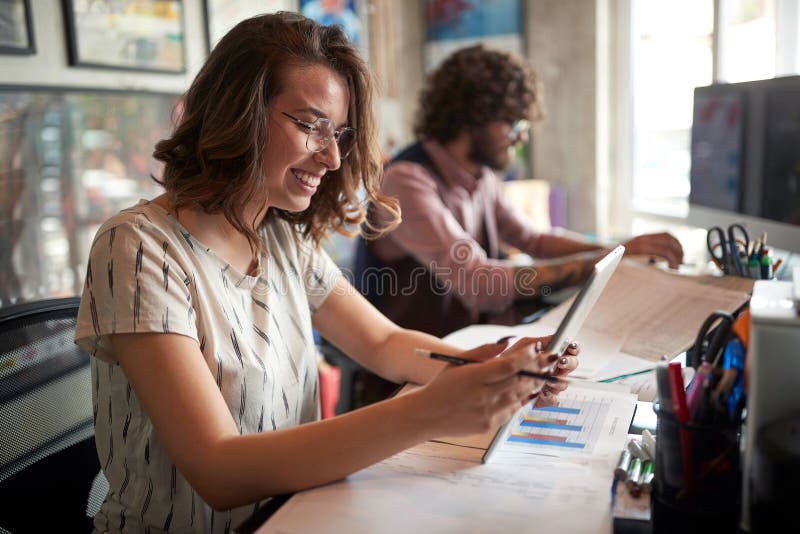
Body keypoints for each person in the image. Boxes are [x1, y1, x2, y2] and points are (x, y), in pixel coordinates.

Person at [73, 13, 580, 533]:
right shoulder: (137, 246)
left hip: (294, 518)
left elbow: (385, 342)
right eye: (311, 124)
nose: (334, 156)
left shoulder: (280, 236)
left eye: (338, 133)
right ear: (237, 111)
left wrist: (484, 366)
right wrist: (430, 412)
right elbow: (218, 470)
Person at [360, 44, 684, 337]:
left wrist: (621, 249)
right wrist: (602, 262)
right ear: (473, 118)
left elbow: (534, 240)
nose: (522, 138)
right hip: (410, 370)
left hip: (466, 346)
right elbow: (478, 282)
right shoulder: (406, 181)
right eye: (514, 124)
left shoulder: (481, 177)